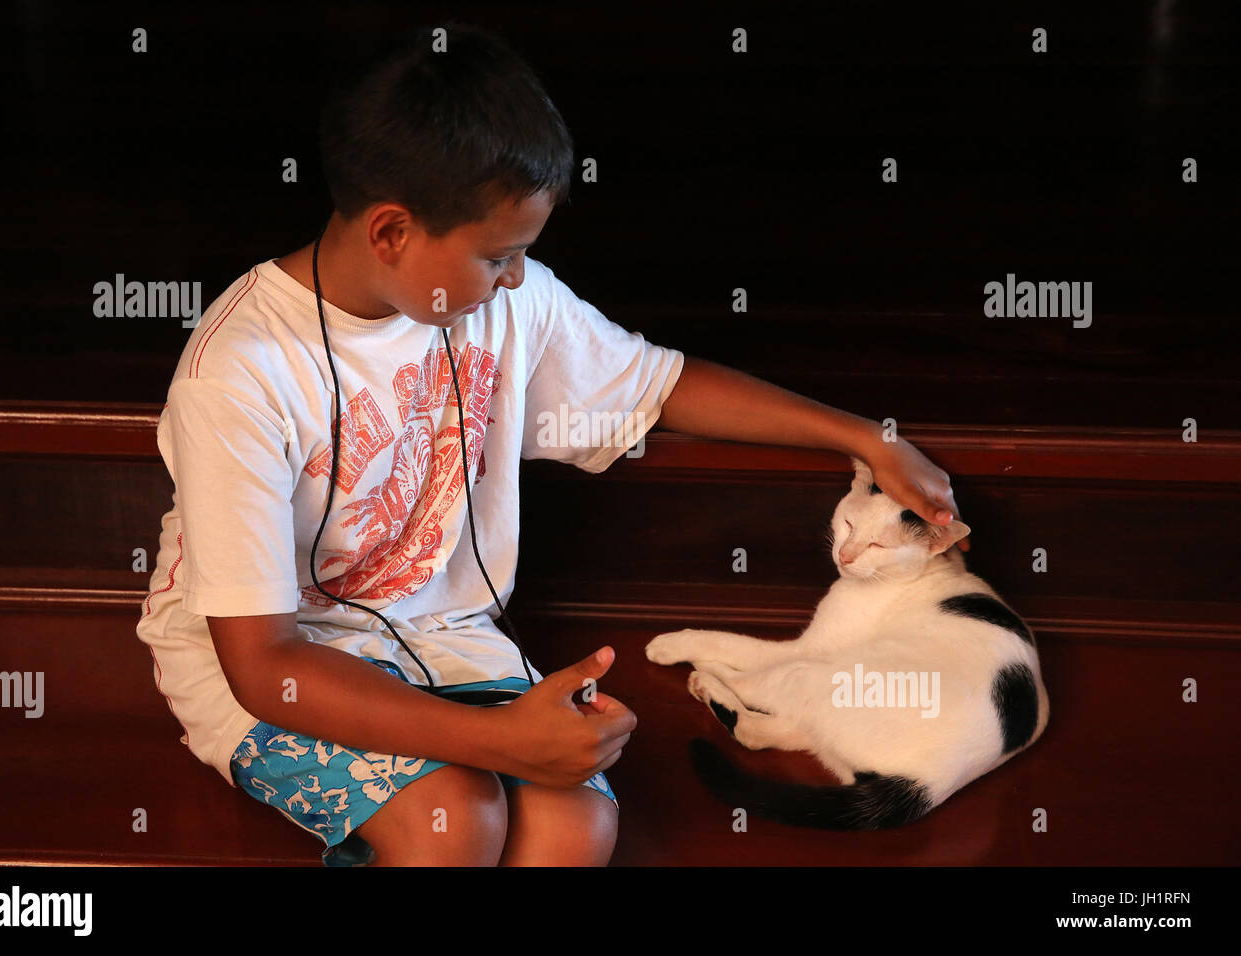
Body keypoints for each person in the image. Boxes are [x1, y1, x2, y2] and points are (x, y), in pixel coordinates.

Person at [135, 20, 964, 867]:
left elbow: (659, 383)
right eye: (501, 254)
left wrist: (865, 437)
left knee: (577, 825)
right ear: (392, 233)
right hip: (280, 669)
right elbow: (261, 662)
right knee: (454, 819)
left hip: (437, 633)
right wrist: (501, 744)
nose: (519, 277)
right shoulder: (238, 373)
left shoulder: (496, 300)